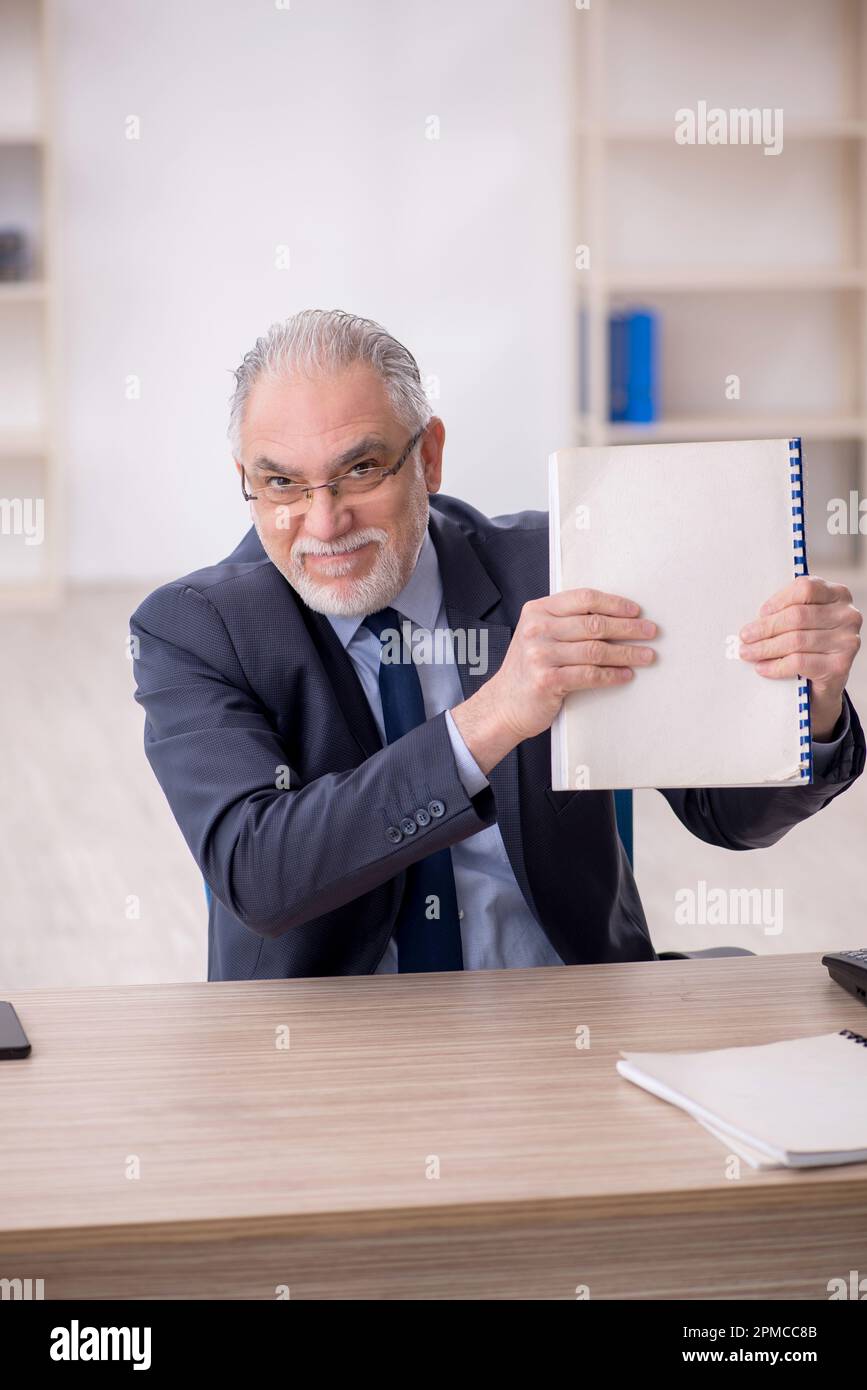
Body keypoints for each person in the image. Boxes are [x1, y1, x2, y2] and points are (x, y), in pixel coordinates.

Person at [130, 310, 865, 979]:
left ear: (429, 457)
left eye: (360, 469)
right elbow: (261, 875)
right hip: (324, 1051)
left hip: (567, 1016)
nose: (323, 524)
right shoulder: (195, 628)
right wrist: (491, 719)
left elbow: (726, 815)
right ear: (246, 481)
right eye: (282, 482)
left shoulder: (561, 567)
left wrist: (810, 703)